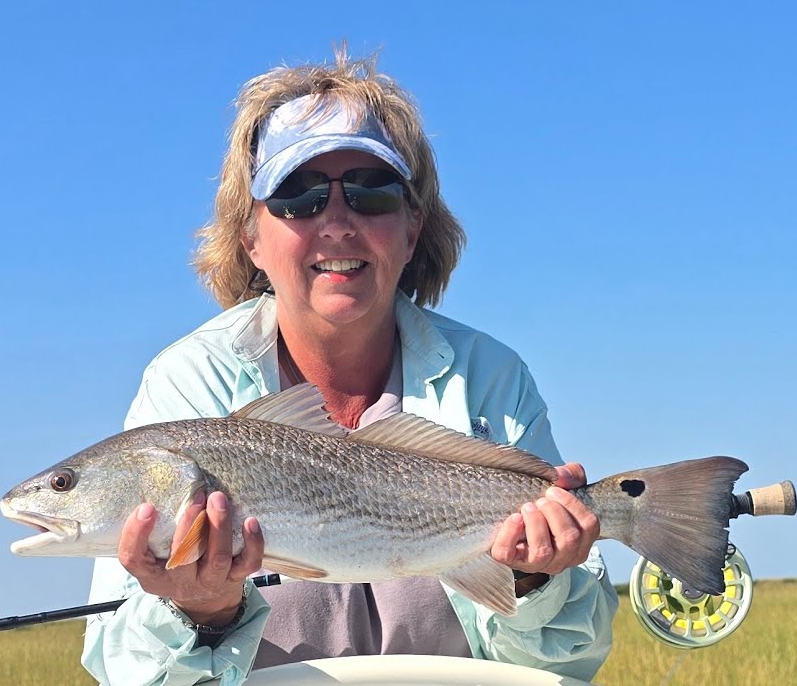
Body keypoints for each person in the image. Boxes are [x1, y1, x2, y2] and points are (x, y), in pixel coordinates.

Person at [82, 49, 618, 686]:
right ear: (250, 235)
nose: (337, 223)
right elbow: (125, 669)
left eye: (371, 191)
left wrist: (533, 578)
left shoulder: (491, 377)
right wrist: (199, 611)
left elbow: (564, 665)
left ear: (413, 228)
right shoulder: (184, 384)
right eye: (298, 198)